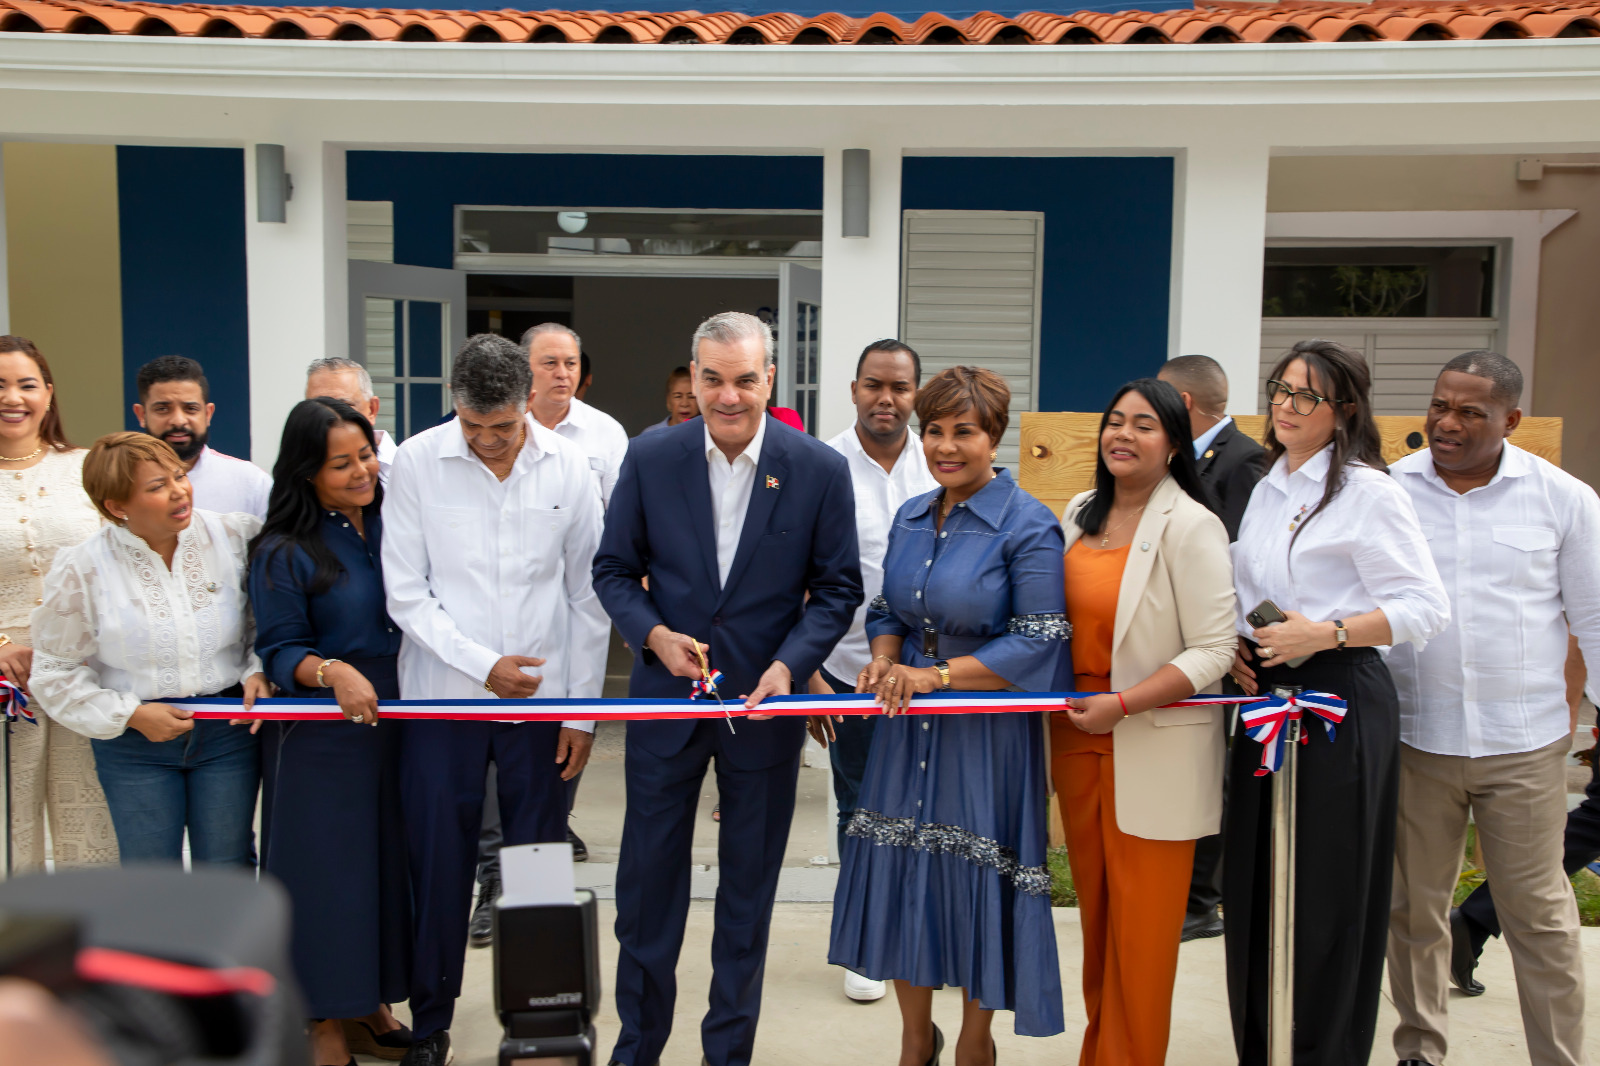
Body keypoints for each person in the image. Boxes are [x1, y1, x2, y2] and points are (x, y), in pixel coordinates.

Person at [593, 311, 860, 1066]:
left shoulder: (816, 469)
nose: (728, 396)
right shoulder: (651, 457)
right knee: (646, 895)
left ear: (770, 378)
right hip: (665, 707)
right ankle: (638, 1048)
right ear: (694, 378)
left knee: (746, 901)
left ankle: (727, 1054)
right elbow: (613, 570)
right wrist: (653, 635)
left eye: (744, 379)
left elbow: (837, 589)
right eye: (712, 379)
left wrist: (790, 664)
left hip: (764, 711)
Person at [830, 366, 1070, 1062]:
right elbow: (887, 608)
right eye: (933, 430)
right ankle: (915, 1038)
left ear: (994, 436)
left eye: (963, 431)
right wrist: (883, 658)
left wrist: (935, 675)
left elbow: (1042, 635)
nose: (945, 446)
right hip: (905, 724)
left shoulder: (1028, 523)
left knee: (975, 878)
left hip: (986, 730)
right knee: (903, 871)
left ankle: (974, 1040)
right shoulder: (911, 515)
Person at [382, 334, 607, 1066]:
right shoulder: (416, 462)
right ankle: (431, 1022)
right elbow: (406, 593)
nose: (486, 441)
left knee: (537, 865)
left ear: (527, 403)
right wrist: (485, 668)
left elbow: (588, 596)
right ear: (455, 406)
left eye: (502, 427)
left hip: (541, 707)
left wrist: (581, 712)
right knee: (438, 866)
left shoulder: (568, 465)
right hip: (442, 703)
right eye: (473, 426)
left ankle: (541, 1021)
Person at [1225, 340, 1449, 1066]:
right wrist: (1238, 646)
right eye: (1280, 389)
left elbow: (1425, 606)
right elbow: (1250, 591)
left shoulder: (1367, 491)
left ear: (1345, 410)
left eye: (1306, 396)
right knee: (1258, 882)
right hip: (1267, 695)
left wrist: (1328, 632)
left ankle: (1325, 1052)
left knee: (1326, 893)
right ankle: (1266, 1048)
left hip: (1339, 697)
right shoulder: (1268, 485)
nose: (1285, 406)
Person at [1384, 351, 1595, 1066]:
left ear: (1511, 420)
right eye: (1440, 405)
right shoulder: (1390, 493)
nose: (1447, 423)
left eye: (1470, 412)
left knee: (1540, 916)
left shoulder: (1565, 499)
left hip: (1523, 743)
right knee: (1412, 909)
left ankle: (1559, 1058)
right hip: (1417, 737)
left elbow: (1594, 618)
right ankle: (1419, 1050)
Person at [1055, 377, 1237, 1066]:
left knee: (1143, 938)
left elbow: (1215, 650)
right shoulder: (1079, 511)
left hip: (1149, 740)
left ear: (1175, 444)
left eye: (1143, 425)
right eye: (1115, 421)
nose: (1122, 435)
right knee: (1098, 925)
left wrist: (1125, 702)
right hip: (1076, 740)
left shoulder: (1192, 525)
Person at [248, 398, 414, 1066]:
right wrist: (334, 671)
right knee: (324, 879)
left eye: (365, 455)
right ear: (306, 473)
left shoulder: (399, 521)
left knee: (384, 868)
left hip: (399, 724)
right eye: (340, 464)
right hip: (322, 737)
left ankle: (367, 1003)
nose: (361, 471)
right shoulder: (283, 549)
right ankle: (319, 1020)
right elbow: (279, 649)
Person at [29, 432, 270, 865]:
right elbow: (53, 671)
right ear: (116, 507)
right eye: (158, 486)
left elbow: (265, 623)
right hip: (134, 745)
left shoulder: (236, 536)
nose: (179, 491)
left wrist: (257, 668)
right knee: (151, 877)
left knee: (228, 867)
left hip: (227, 733)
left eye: (179, 475)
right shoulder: (83, 567)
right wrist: (131, 715)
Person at [467, 323, 626, 945]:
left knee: (551, 781)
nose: (562, 373)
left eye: (571, 362)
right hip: (480, 655)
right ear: (522, 375)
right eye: (549, 362)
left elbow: (610, 542)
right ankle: (492, 880)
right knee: (489, 788)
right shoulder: (467, 443)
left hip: (563, 638)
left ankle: (538, 926)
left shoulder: (603, 436)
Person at [810, 338, 937, 1005]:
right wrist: (808, 676)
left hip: (931, 675)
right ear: (854, 389)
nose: (886, 399)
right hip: (846, 670)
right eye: (874, 385)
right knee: (860, 806)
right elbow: (793, 575)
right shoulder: (821, 464)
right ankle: (867, 943)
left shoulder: (940, 462)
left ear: (916, 394)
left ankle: (923, 935)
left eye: (900, 387)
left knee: (931, 804)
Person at [1157, 353, 1267, 943]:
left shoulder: (1243, 460)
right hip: (1181, 642)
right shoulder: (1193, 457)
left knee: (1211, 769)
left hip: (1221, 646)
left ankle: (1201, 899)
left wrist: (1239, 638)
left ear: (1184, 404)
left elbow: (1242, 561)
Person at [0, 336, 118, 872]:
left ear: (48, 393)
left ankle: (88, 926)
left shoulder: (86, 468)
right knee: (9, 829)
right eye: (0, 385)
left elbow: (120, 562)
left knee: (91, 825)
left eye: (26, 384)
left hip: (83, 674)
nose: (13, 397)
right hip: (6, 682)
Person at [133, 356, 271, 519]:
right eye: (163, 409)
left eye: (190, 409)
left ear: (208, 414)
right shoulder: (121, 481)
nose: (178, 421)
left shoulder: (252, 483)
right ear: (141, 415)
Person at [304, 357, 399, 484]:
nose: (328, 418)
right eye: (317, 408)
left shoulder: (412, 468)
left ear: (372, 410)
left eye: (343, 407)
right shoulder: (298, 475)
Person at [643, 365, 699, 433]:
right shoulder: (651, 434)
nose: (684, 404)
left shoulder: (708, 433)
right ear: (668, 401)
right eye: (678, 396)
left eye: (691, 396)